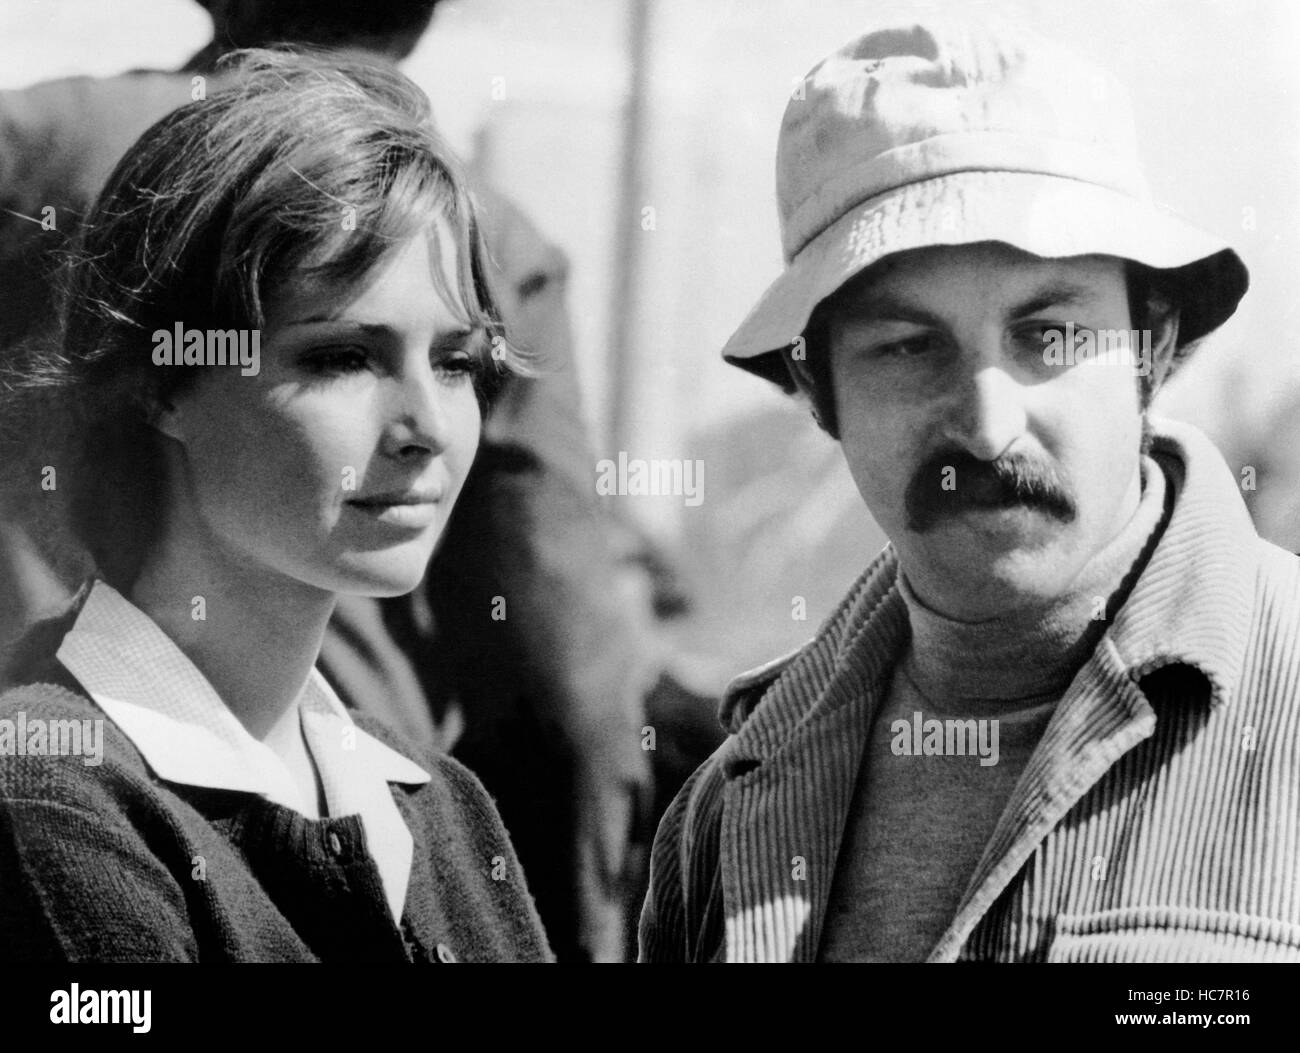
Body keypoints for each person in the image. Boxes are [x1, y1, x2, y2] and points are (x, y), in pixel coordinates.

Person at [0, 0, 656, 961]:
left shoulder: (447, 816)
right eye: (344, 358)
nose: (428, 427)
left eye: (462, 362)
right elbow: (565, 671)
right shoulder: (46, 804)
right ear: (160, 383)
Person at [639, 17, 1300, 964]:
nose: (988, 427)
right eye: (909, 348)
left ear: (1150, 350)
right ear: (821, 390)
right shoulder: (731, 807)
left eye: (1048, 337)